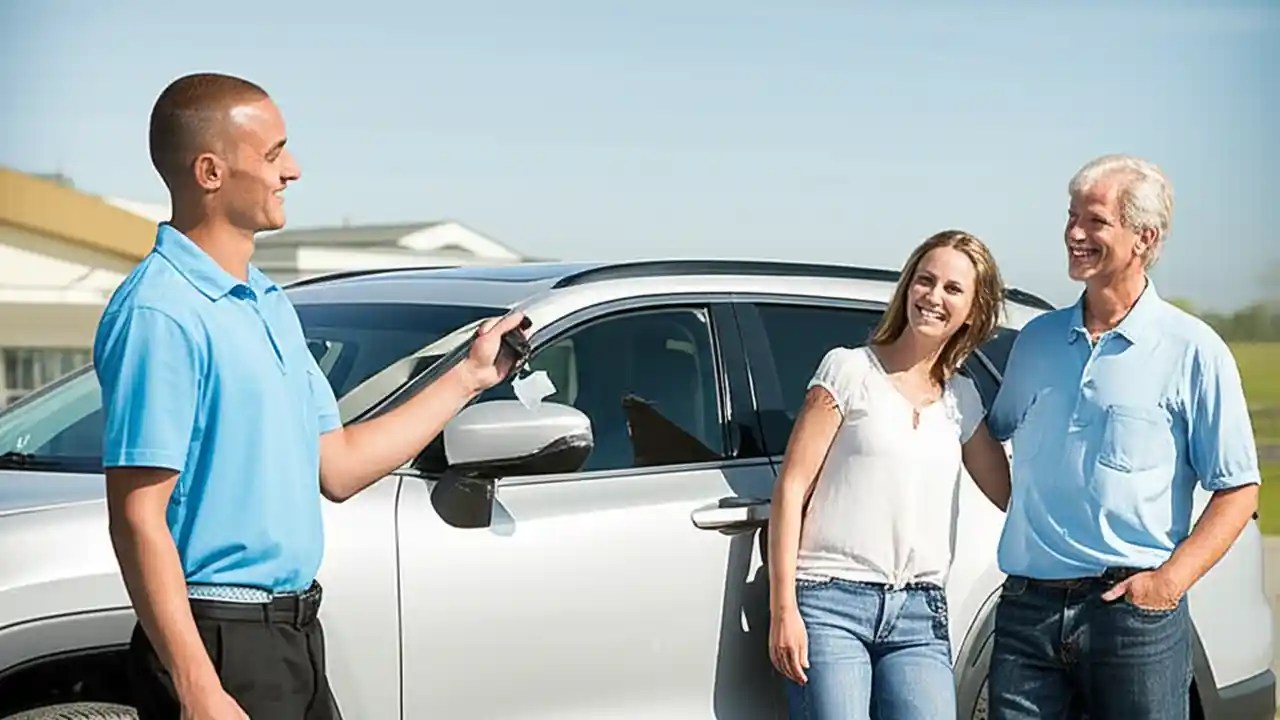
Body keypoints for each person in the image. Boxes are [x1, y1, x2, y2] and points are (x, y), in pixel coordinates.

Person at [93, 72, 527, 720]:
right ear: (210, 172)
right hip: (220, 642)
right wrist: (198, 687)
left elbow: (342, 463)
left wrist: (469, 376)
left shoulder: (269, 304)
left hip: (294, 639)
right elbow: (137, 517)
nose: (291, 170)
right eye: (272, 154)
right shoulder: (162, 310)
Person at [985, 154, 1261, 720]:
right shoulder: (1034, 343)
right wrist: (1027, 509)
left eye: (1094, 220)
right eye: (1071, 217)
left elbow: (1239, 489)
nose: (1074, 233)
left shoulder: (1193, 349)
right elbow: (989, 436)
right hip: (1026, 611)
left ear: (1144, 237)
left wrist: (1167, 584)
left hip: (1133, 619)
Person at [767, 230, 1014, 720]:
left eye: (952, 289)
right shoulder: (849, 370)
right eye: (925, 281)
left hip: (920, 615)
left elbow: (1013, 496)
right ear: (907, 287)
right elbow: (791, 487)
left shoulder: (961, 399)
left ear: (973, 309)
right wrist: (784, 610)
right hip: (829, 603)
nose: (933, 297)